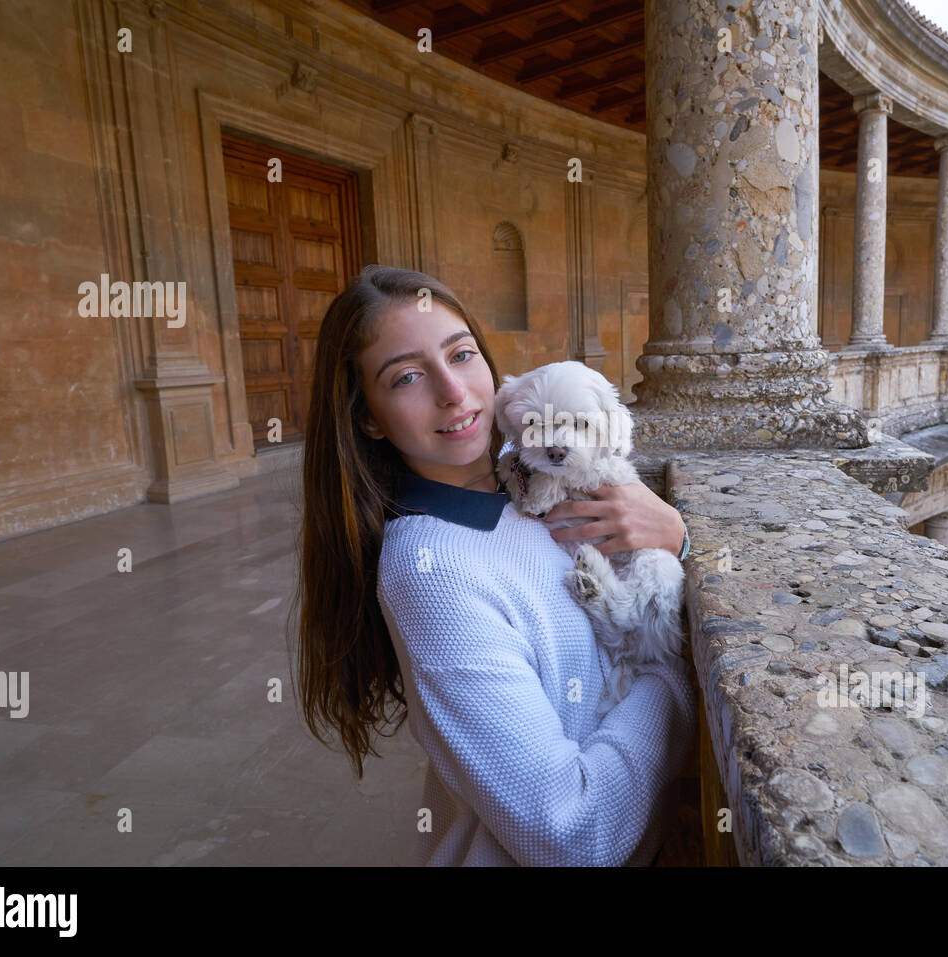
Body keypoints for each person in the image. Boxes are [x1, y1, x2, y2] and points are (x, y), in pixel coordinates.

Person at [293, 263, 697, 866]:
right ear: (368, 417)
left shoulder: (530, 470)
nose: (453, 393)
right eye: (406, 377)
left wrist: (675, 537)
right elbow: (572, 833)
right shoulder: (433, 573)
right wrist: (677, 677)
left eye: (460, 355)